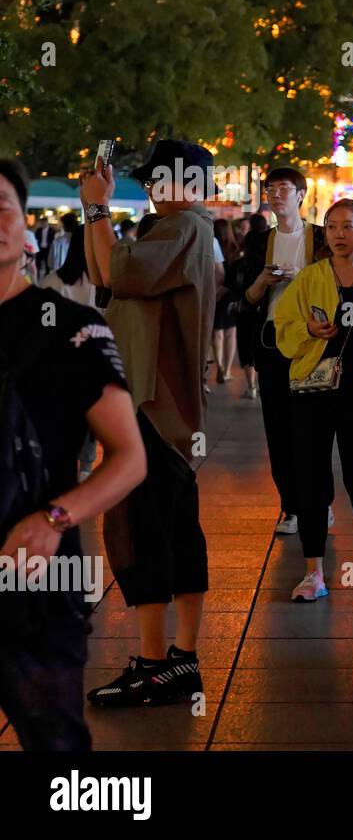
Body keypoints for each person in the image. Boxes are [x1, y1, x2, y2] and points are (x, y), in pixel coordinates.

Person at [0, 158, 147, 748]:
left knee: (56, 747)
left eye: (2, 209)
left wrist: (54, 518)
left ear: (24, 230)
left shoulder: (68, 327)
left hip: (36, 583)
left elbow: (128, 456)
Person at [80, 139, 218, 708]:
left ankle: (166, 663)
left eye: (159, 178)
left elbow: (115, 269)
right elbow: (103, 271)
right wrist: (96, 212)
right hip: (151, 403)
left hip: (158, 407)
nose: (151, 188)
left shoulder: (184, 226)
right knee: (156, 525)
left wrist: (96, 209)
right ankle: (165, 660)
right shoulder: (173, 228)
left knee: (152, 528)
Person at [274, 199, 353, 602]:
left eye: (348, 226)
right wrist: (308, 328)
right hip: (312, 388)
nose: (339, 235)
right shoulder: (310, 278)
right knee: (310, 475)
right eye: (331, 227)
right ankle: (313, 570)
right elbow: (283, 326)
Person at [238, 169, 328, 536]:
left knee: (314, 429)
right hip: (273, 342)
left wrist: (303, 281)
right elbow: (246, 298)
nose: (276, 195)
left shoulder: (319, 238)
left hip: (313, 344)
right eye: (270, 190)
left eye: (283, 189)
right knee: (278, 429)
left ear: (301, 195)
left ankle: (318, 503)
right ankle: (290, 506)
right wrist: (263, 280)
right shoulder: (260, 241)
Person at [39, 224, 100, 480]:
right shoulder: (105, 284)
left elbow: (42, 326)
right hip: (95, 361)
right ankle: (85, 469)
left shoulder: (53, 281)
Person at [233, 212, 267, 399]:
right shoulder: (269, 266)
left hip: (245, 309)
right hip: (266, 311)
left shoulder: (239, 265)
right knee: (262, 347)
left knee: (246, 348)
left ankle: (251, 387)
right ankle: (262, 384)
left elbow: (228, 286)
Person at [209, 218, 240, 386]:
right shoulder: (234, 249)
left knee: (217, 332)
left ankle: (220, 366)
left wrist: (215, 292)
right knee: (231, 332)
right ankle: (227, 370)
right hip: (231, 294)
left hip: (215, 293)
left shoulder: (211, 245)